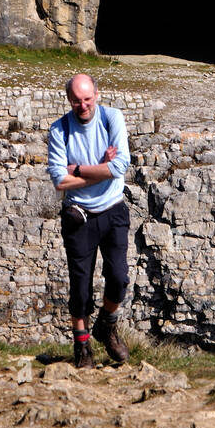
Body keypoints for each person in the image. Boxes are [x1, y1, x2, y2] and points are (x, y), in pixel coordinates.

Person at [47, 73, 132, 369]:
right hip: (79, 216)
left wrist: (80, 170)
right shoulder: (60, 130)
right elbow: (59, 181)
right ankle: (82, 346)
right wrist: (102, 168)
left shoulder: (112, 118)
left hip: (113, 209)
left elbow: (121, 166)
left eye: (87, 99)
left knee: (119, 277)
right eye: (76, 100)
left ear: (97, 94)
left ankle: (106, 325)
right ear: (68, 99)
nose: (82, 105)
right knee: (80, 286)